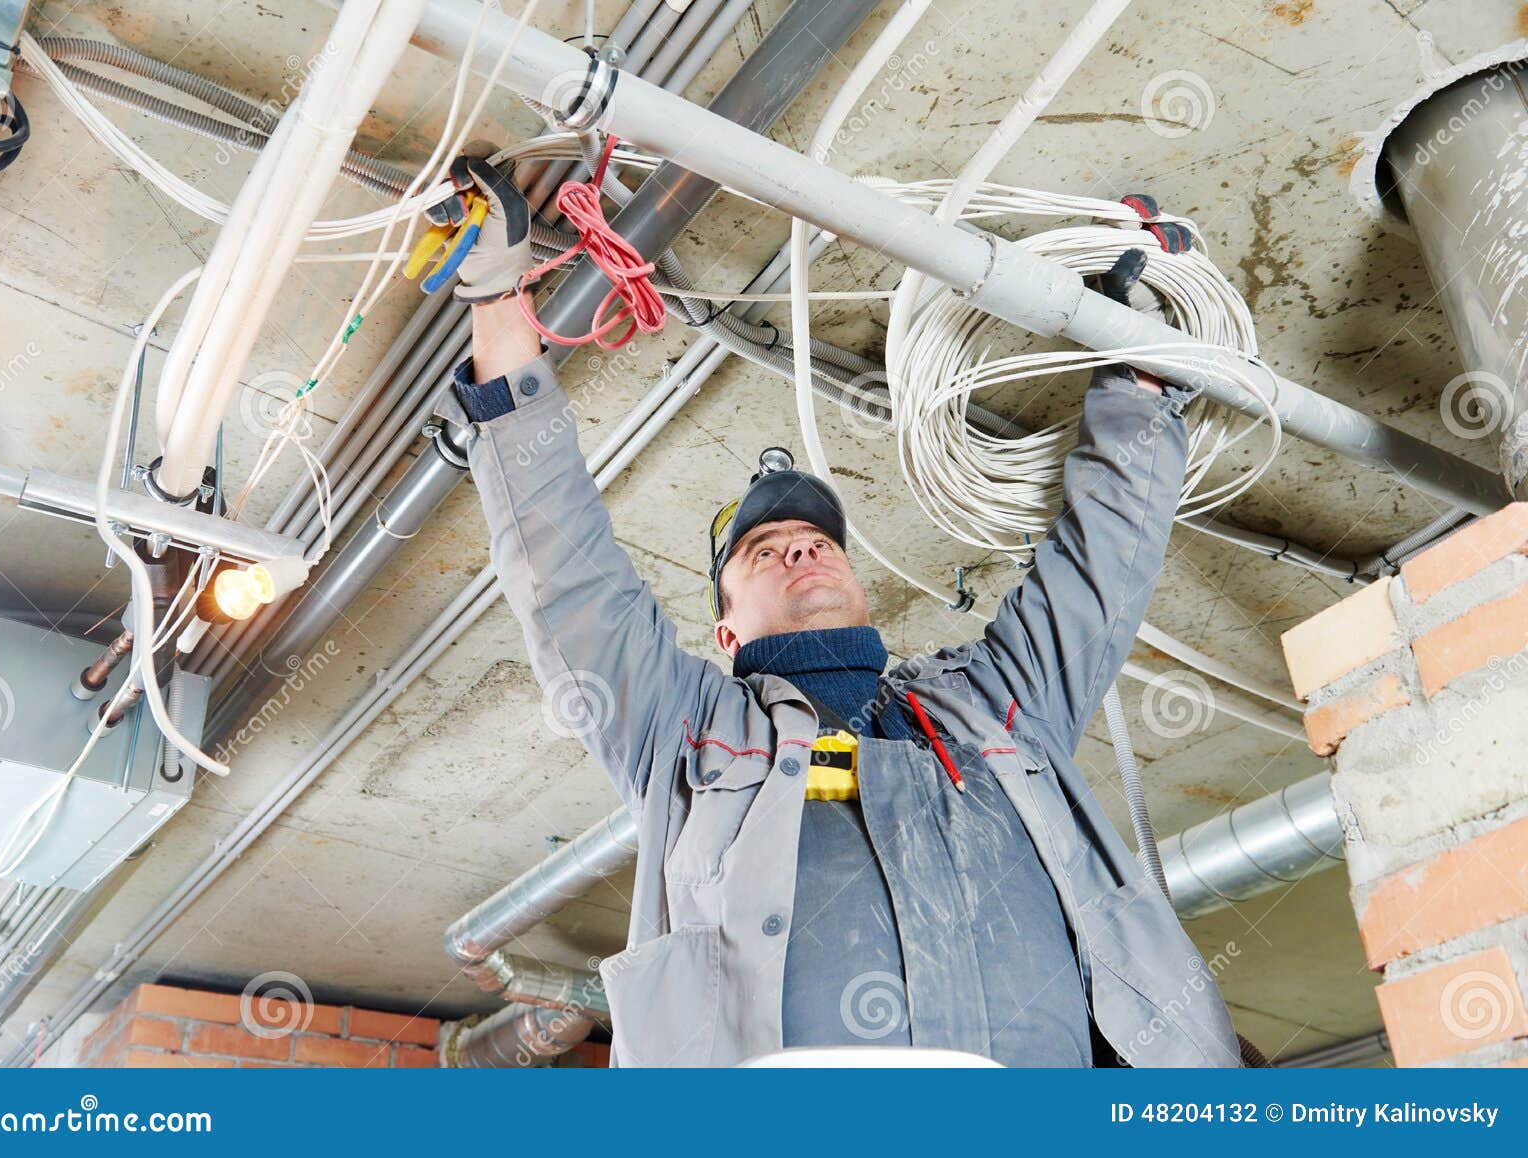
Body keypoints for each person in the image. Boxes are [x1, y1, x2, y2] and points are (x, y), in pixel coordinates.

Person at [445, 155, 1241, 1067]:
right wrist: (498, 302)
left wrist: (1134, 370)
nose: (801, 547)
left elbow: (1102, 568)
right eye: (761, 549)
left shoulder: (994, 708)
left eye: (818, 539)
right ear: (724, 632)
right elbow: (568, 578)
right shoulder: (684, 734)